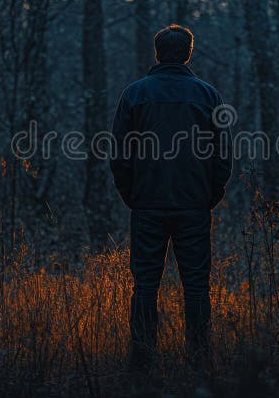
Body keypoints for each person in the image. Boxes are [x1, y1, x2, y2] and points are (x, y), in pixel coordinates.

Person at [109, 24, 232, 377]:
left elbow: (118, 153)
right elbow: (223, 155)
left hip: (147, 205)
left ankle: (142, 361)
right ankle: (200, 360)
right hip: (192, 205)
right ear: (188, 54)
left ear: (157, 53)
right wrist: (209, 196)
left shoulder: (135, 94)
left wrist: (132, 195)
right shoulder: (208, 95)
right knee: (196, 284)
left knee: (145, 284)